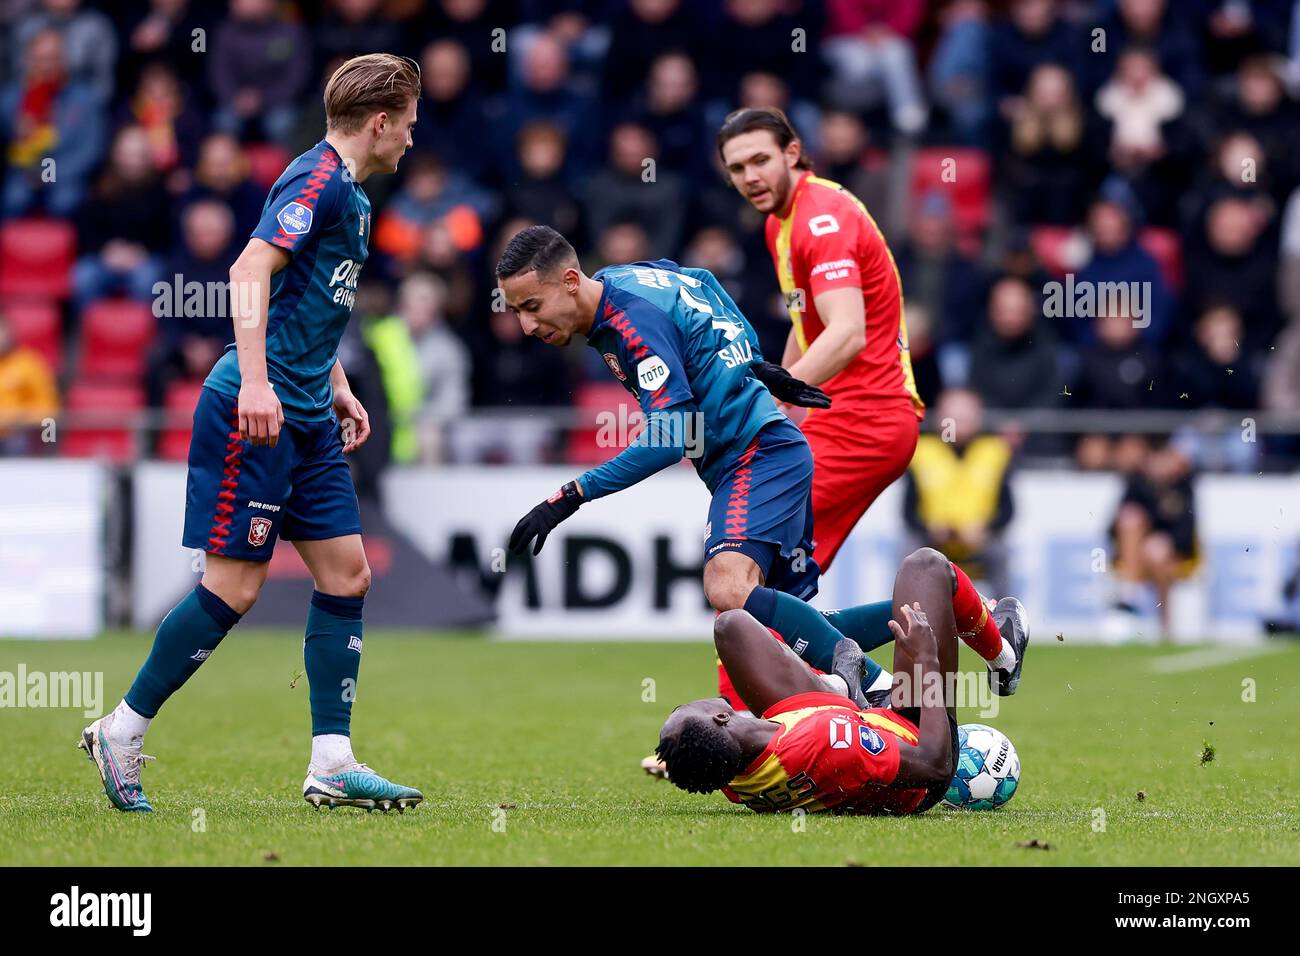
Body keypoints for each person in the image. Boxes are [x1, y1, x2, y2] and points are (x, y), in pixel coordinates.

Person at [80, 53, 425, 814]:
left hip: (308, 412)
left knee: (347, 575)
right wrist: (262, 383)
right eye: (407, 121)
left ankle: (332, 762)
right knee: (233, 587)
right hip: (255, 407)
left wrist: (338, 386)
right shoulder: (318, 179)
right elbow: (247, 271)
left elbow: (312, 303)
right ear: (380, 121)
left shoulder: (357, 202)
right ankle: (123, 730)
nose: (411, 136)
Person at [495, 227, 1026, 719]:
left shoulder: (630, 322)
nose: (525, 325)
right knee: (781, 625)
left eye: (532, 306)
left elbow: (670, 436)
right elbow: (701, 282)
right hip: (770, 450)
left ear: (569, 281)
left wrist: (571, 494)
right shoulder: (625, 279)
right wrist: (755, 362)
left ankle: (877, 686)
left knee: (727, 588)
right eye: (517, 310)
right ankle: (983, 621)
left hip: (756, 454)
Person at [656, 548, 1029, 814]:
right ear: (720, 719)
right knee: (925, 568)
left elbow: (696, 759)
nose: (685, 703)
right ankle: (1003, 656)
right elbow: (935, 765)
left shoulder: (727, 770)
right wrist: (928, 659)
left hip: (825, 721)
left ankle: (844, 687)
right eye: (683, 711)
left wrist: (677, 757)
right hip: (912, 737)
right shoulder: (829, 742)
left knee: (732, 624)